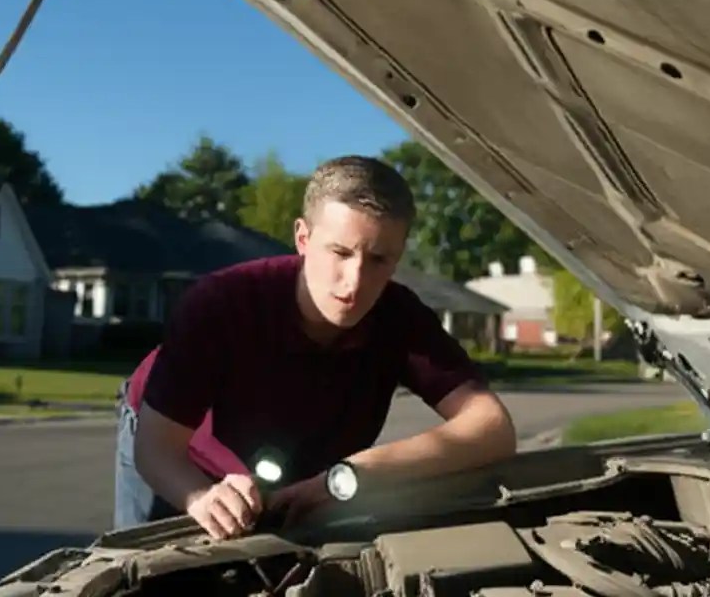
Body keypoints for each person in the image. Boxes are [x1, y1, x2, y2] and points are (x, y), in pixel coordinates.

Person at [112, 155, 517, 539]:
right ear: (303, 238)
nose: (354, 281)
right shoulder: (220, 303)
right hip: (174, 449)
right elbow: (158, 449)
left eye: (378, 259)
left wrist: (351, 476)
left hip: (308, 473)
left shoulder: (401, 318)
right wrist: (201, 497)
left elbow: (491, 428)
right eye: (340, 252)